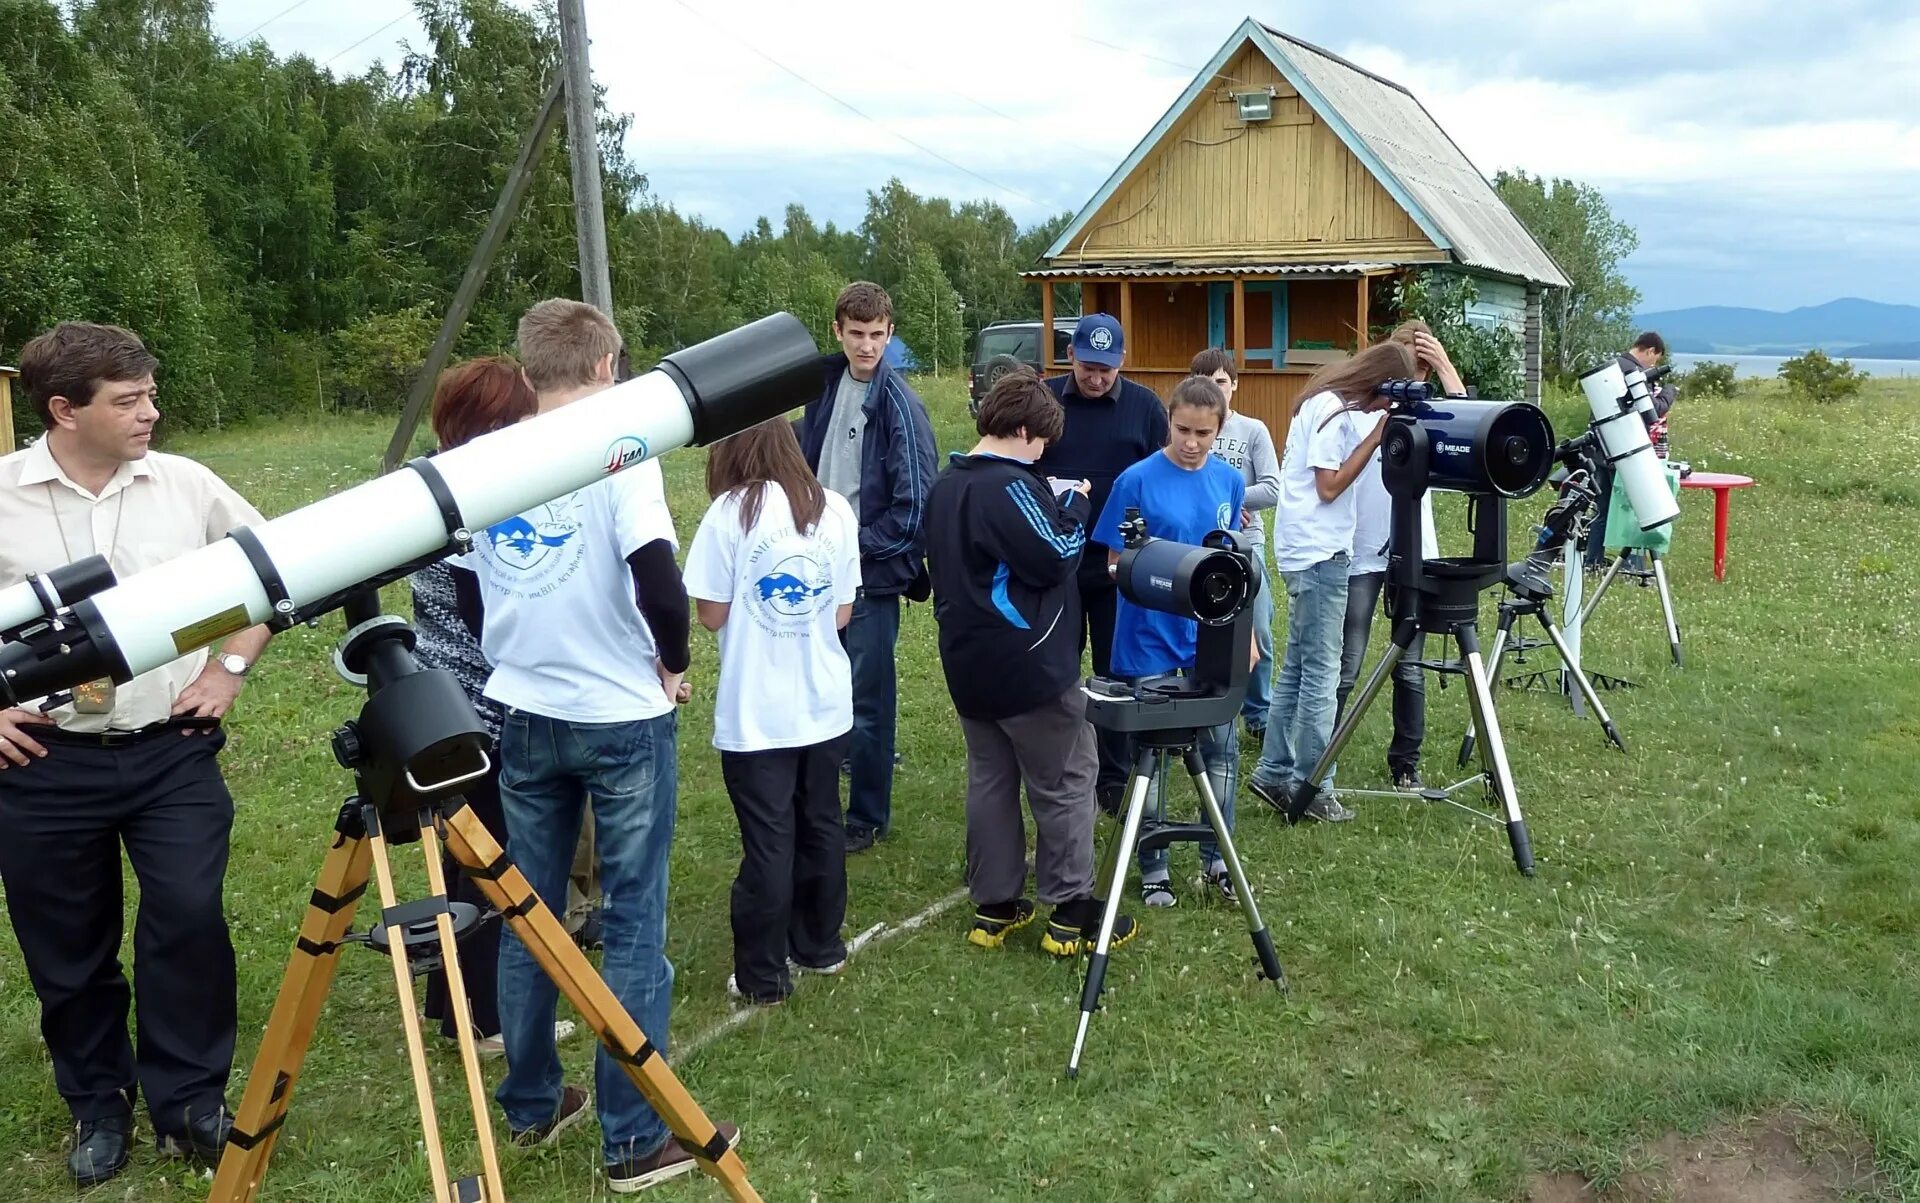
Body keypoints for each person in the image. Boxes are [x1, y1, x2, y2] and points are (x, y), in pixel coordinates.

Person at [462, 299, 733, 1193]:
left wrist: (518, 649)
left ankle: (533, 1101)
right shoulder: (622, 450)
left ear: (528, 369)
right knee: (633, 920)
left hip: (525, 711)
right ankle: (633, 1137)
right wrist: (672, 662)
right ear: (610, 365)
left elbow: (469, 586)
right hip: (620, 716)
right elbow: (658, 577)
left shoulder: (486, 457)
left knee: (529, 911)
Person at [0, 322, 273, 1186]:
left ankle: (189, 1100)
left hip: (170, 751)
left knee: (188, 916)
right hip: (43, 763)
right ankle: (98, 1103)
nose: (151, 411)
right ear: (63, 410)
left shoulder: (186, 484)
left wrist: (229, 667)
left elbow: (273, 575)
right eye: (129, 400)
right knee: (67, 946)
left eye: (150, 394)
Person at [925, 372, 1138, 953]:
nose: (1044, 453)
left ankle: (994, 906)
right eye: (1042, 441)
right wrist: (1074, 503)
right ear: (1022, 430)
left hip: (967, 663)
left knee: (990, 780)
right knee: (1066, 778)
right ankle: (1071, 911)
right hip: (1031, 664)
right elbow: (1057, 554)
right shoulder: (1009, 486)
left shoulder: (946, 483)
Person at [411, 356, 580, 1057]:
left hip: (441, 702)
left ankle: (455, 1007)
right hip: (481, 706)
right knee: (493, 862)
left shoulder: (427, 483)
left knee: (465, 858)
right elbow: (495, 615)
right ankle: (486, 1018)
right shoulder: (472, 501)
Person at [684, 419, 860, 1006]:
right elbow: (841, 612)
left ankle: (763, 975)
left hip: (757, 709)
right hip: (824, 701)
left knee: (769, 839)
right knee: (821, 822)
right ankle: (820, 944)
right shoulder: (834, 508)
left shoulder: (730, 513)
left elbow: (710, 613)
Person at [1248, 340, 1420, 823]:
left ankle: (1272, 771)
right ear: (1378, 382)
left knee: (1298, 668)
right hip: (1320, 555)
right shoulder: (1331, 410)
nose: (1384, 407)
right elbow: (1328, 486)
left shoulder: (1325, 402)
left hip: (1306, 551)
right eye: (1387, 396)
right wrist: (1377, 436)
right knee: (1322, 675)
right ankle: (1313, 785)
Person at [1092, 376, 1247, 907]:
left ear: (1219, 430)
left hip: (1212, 637)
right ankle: (1154, 865)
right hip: (1149, 636)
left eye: (1204, 433)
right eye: (1183, 430)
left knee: (1221, 748)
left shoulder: (1229, 481)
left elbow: (1233, 561)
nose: (1192, 442)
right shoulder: (1135, 481)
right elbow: (1115, 563)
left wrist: (1246, 634)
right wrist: (1163, 577)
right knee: (1152, 755)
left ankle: (1218, 858)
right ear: (1169, 423)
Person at [796, 281, 937, 854]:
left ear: (890, 333)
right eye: (856, 334)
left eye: (877, 335)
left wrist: (850, 548)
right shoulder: (824, 386)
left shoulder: (901, 406)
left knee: (868, 703)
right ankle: (816, 803)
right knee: (816, 689)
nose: (867, 346)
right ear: (838, 331)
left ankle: (866, 816)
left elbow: (914, 511)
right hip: (812, 567)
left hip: (869, 579)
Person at [1036, 314, 1170, 814]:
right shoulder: (1046, 399)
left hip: (1119, 563)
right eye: (1088, 367)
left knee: (1115, 672)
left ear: (1122, 362)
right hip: (1058, 561)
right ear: (1070, 355)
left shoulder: (1144, 407)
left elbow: (1163, 472)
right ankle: (1061, 767)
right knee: (1058, 668)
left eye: (1106, 369)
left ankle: (1113, 775)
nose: (1096, 378)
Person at [1326, 323, 1461, 793]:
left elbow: (1470, 427)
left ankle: (1406, 762)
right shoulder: (1366, 406)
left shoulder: (1430, 410)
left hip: (1414, 548)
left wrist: (1443, 365)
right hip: (1363, 546)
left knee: (1410, 664)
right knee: (1348, 659)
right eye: (1403, 363)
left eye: (1419, 366)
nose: (1410, 374)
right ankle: (1323, 753)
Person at [1188, 349, 1280, 741]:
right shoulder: (1187, 430)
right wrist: (1217, 503)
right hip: (1198, 545)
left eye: (1221, 382)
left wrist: (1233, 500)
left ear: (1235, 385)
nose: (1214, 389)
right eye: (1205, 382)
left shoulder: (1253, 430)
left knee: (1257, 630)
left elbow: (1273, 488)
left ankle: (1259, 715)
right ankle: (1204, 710)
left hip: (1245, 544)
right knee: (1203, 631)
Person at [1587, 330, 1667, 567]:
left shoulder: (1610, 368)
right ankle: (1633, 566)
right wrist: (1669, 393)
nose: (1653, 365)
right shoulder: (1634, 373)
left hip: (1600, 450)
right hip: (1625, 450)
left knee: (1601, 510)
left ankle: (1592, 561)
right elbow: (1652, 411)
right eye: (1655, 359)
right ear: (1650, 351)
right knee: (1634, 509)